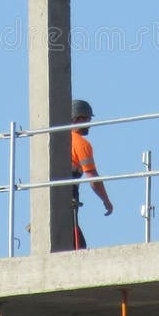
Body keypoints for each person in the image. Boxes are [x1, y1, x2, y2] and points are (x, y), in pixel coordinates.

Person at [70, 99, 113, 249]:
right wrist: (106, 201)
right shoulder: (81, 144)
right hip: (68, 195)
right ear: (78, 119)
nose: (89, 123)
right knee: (78, 247)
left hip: (53, 195)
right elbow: (93, 178)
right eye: (88, 119)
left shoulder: (60, 139)